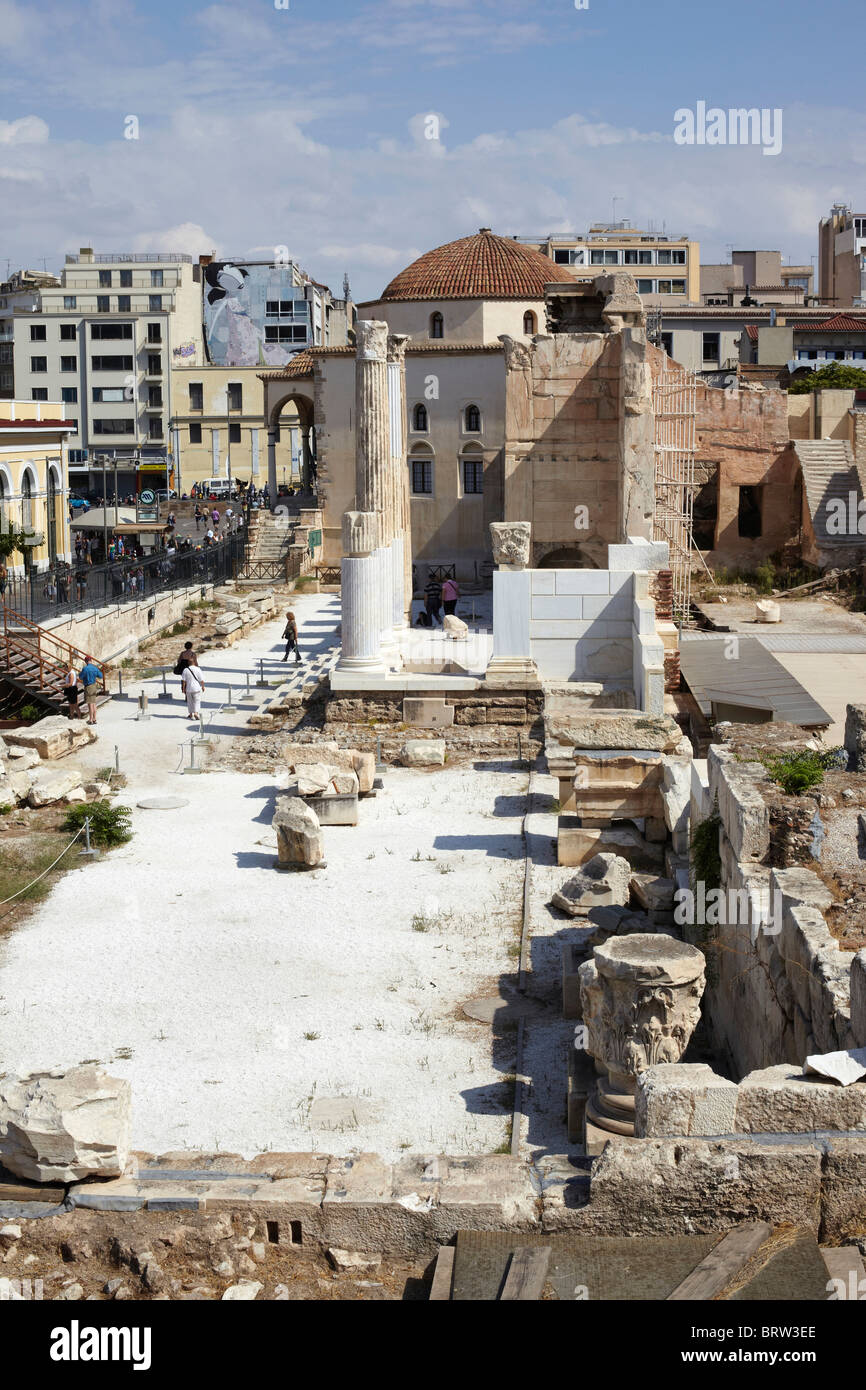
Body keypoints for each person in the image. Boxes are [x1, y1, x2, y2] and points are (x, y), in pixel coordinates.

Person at [79, 654, 103, 726]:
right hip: (94, 686)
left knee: (90, 703)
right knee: (94, 703)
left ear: (86, 661)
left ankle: (91, 719)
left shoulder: (85, 668)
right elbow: (100, 676)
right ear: (91, 660)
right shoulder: (95, 668)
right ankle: (95, 718)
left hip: (88, 686)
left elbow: (80, 677)